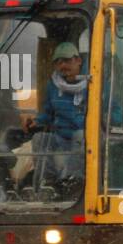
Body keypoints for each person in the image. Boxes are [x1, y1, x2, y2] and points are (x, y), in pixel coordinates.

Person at [22, 42, 89, 183]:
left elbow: (113, 115)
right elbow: (48, 112)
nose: (63, 66)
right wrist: (37, 121)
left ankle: (72, 182)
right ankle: (49, 182)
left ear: (78, 61)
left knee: (80, 135)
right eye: (58, 62)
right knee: (40, 139)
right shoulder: (53, 85)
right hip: (61, 138)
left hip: (87, 140)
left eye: (67, 60)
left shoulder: (93, 82)